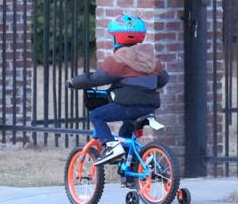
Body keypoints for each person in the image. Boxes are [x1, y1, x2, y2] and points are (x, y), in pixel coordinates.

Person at [68, 14, 169, 167]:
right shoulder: (151, 59)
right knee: (126, 131)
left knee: (96, 115)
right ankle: (130, 170)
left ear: (118, 38)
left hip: (128, 105)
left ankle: (110, 146)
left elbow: (96, 79)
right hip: (149, 106)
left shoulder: (119, 59)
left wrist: (74, 82)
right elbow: (163, 79)